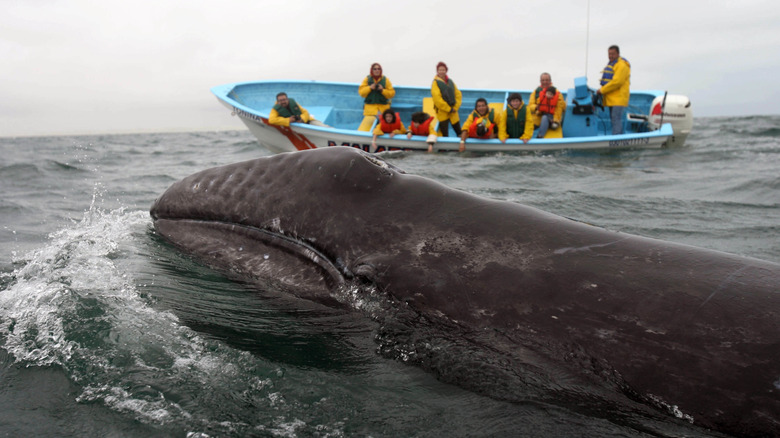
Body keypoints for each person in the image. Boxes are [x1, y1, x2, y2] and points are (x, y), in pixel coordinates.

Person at [597, 45, 631, 135]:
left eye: (613, 54)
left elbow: (617, 82)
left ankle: (617, 139)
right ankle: (616, 137)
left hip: (619, 98)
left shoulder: (622, 65)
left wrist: (602, 90)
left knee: (616, 118)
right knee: (614, 119)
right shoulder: (613, 64)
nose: (611, 56)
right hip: (612, 98)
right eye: (609, 54)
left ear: (618, 54)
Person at [358, 63, 396, 131]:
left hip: (383, 110)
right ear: (371, 70)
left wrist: (382, 90)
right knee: (365, 127)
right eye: (375, 69)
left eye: (379, 69)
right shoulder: (367, 79)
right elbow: (361, 93)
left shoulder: (386, 80)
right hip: (370, 111)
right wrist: (369, 88)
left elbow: (392, 93)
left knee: (386, 127)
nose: (377, 70)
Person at [528, 73, 566, 138]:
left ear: (550, 81)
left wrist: (556, 120)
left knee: (545, 117)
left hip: (552, 118)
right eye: (543, 80)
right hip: (538, 116)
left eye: (547, 80)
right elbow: (530, 106)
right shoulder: (536, 92)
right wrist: (536, 107)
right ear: (540, 81)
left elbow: (561, 108)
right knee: (527, 123)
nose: (545, 82)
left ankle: (540, 136)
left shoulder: (557, 93)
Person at [431, 62, 462, 138]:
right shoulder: (435, 83)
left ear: (446, 71)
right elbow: (437, 99)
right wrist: (448, 109)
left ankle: (462, 142)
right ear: (437, 71)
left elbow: (458, 94)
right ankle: (445, 148)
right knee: (444, 134)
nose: (441, 71)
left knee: (458, 130)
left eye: (443, 70)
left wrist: (455, 107)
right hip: (442, 112)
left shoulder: (450, 81)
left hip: (453, 110)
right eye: (439, 70)